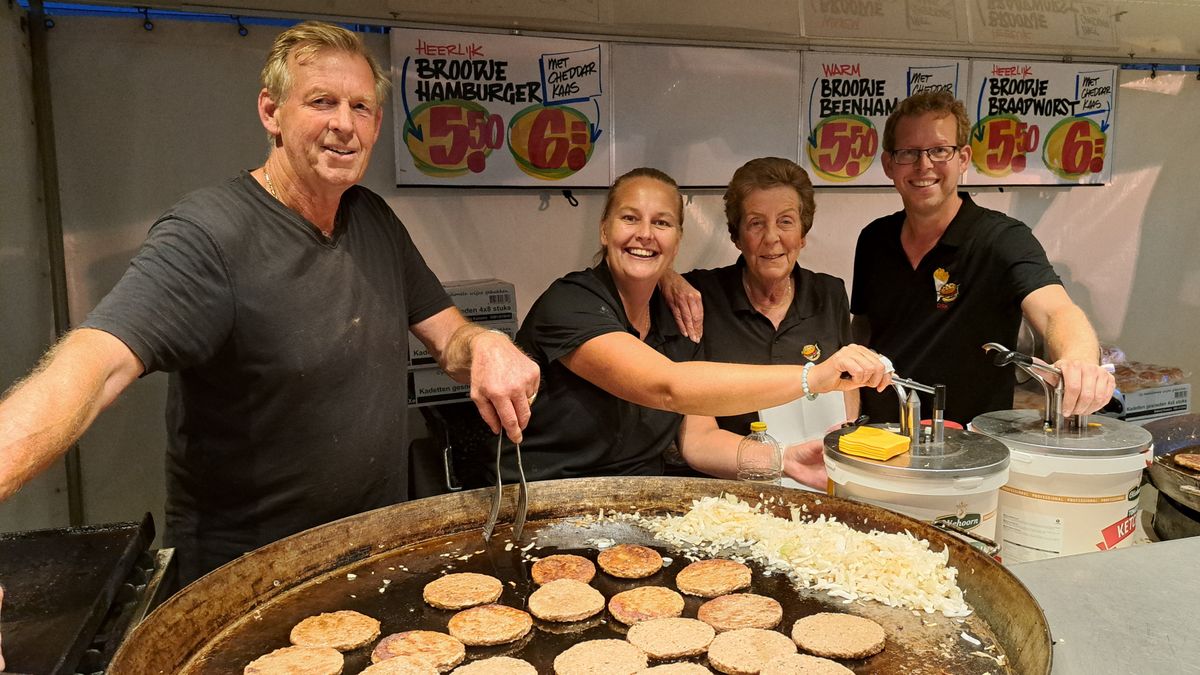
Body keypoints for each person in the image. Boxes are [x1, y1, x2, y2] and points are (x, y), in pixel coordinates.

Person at [0, 22, 539, 584]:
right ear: (270, 112)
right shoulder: (211, 233)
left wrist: (488, 344)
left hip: (369, 548)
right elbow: (96, 362)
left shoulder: (373, 219)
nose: (343, 125)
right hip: (251, 577)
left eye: (361, 107)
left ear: (378, 124)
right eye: (321, 102)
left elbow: (450, 336)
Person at [502, 167, 890, 483]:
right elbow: (670, 387)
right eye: (630, 218)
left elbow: (699, 432)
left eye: (662, 223)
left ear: (678, 241)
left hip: (640, 501)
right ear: (604, 230)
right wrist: (815, 379)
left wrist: (785, 459)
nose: (645, 234)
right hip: (547, 497)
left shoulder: (678, 315)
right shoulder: (570, 302)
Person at [851, 90, 1114, 425]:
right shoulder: (874, 239)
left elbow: (1055, 311)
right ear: (889, 164)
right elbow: (862, 331)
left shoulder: (1002, 239)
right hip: (881, 434)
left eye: (939, 150)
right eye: (908, 152)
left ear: (963, 158)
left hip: (974, 447)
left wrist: (1079, 361)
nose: (924, 165)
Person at [658, 158, 854, 489]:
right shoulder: (698, 298)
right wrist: (665, 276)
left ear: (803, 234)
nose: (772, 238)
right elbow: (697, 441)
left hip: (818, 486)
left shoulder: (830, 294)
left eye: (786, 222)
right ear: (736, 236)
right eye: (756, 223)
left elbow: (846, 407)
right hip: (726, 495)